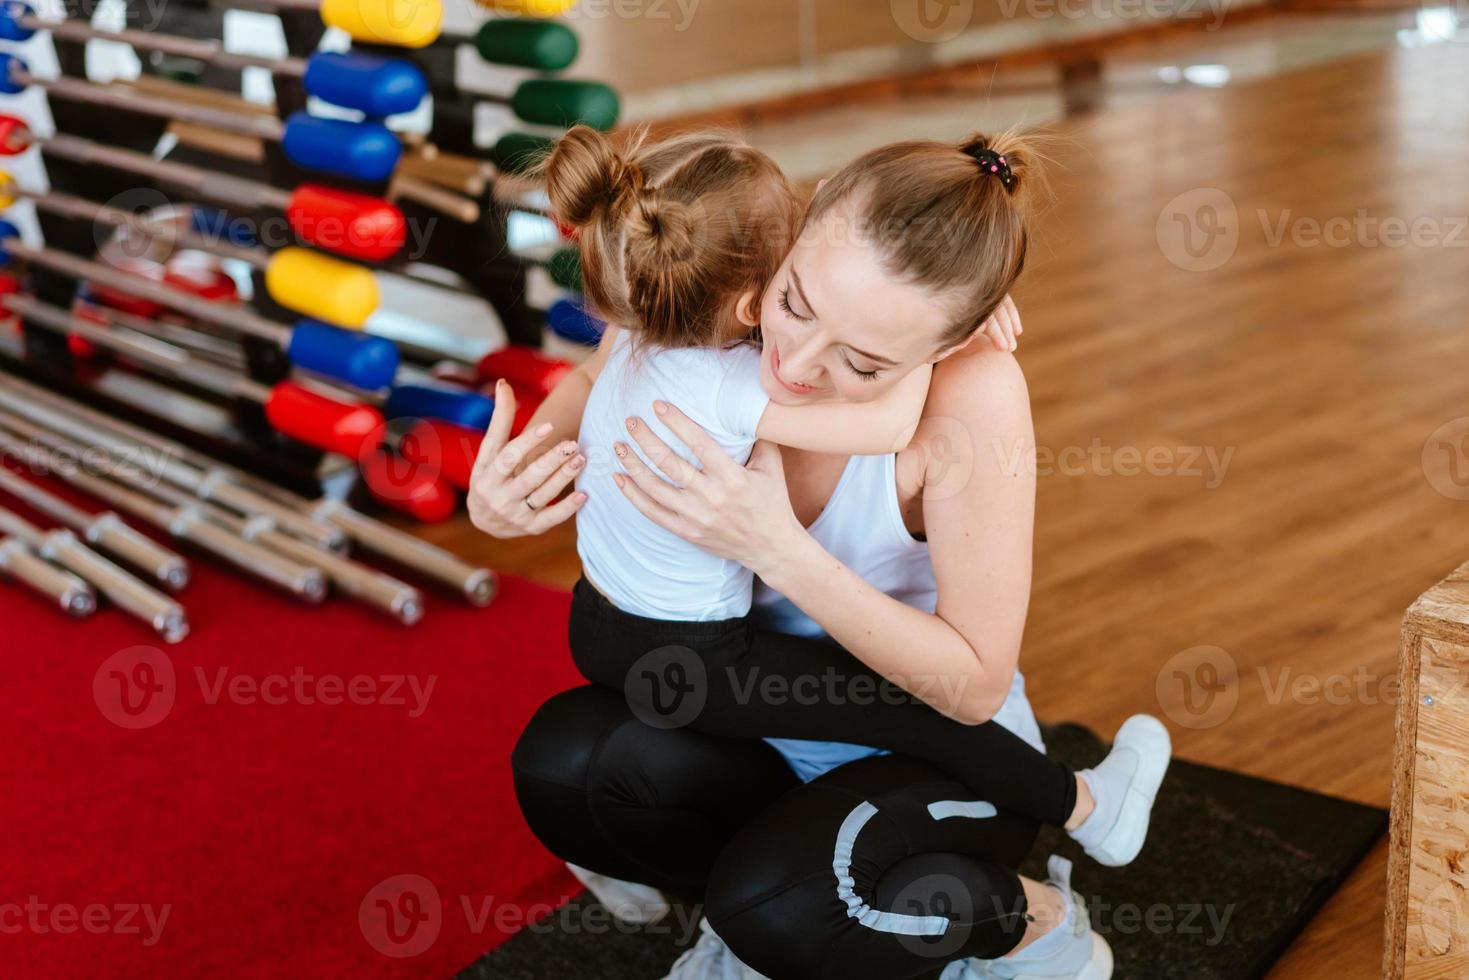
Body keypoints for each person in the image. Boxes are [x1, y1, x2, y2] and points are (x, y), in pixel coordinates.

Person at [476, 131, 1170, 979]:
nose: (794, 367)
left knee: (786, 906)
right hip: (763, 725)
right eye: (796, 303)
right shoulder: (723, 280)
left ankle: (1035, 921)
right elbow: (597, 375)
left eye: (865, 360)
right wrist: (508, 486)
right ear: (792, 235)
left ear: (942, 349)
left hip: (935, 754)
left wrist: (775, 547)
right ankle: (749, 917)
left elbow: (974, 682)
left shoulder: (971, 393)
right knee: (565, 767)